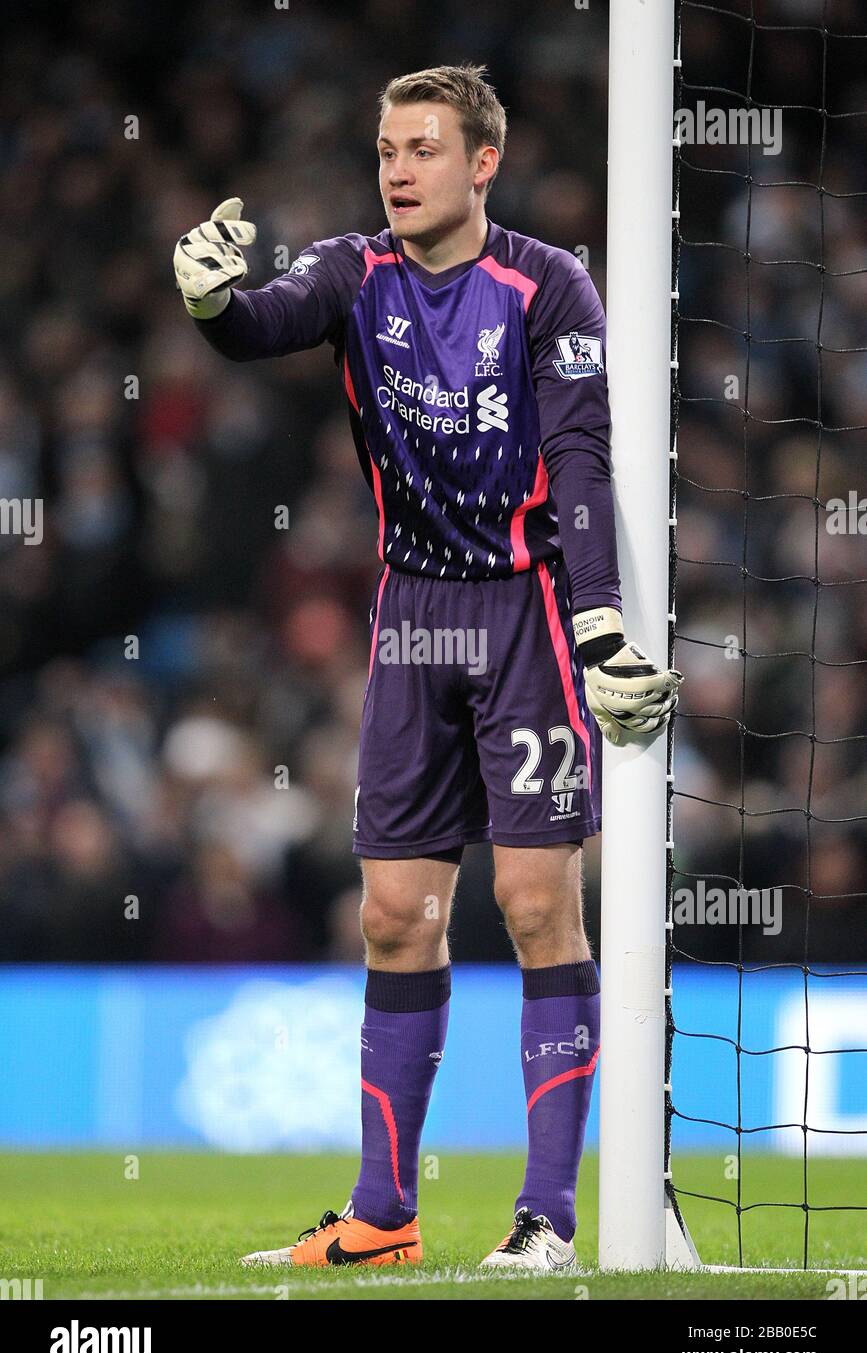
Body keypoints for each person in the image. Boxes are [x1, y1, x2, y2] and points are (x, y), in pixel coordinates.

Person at [175, 63, 682, 1272]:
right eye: (387, 150)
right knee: (396, 916)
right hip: (412, 616)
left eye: (421, 148)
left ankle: (549, 1220)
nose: (396, 169)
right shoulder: (356, 273)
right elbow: (261, 326)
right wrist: (210, 307)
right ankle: (383, 1215)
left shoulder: (549, 285)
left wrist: (602, 619)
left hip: (529, 613)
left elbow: (581, 457)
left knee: (533, 902)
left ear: (482, 162)